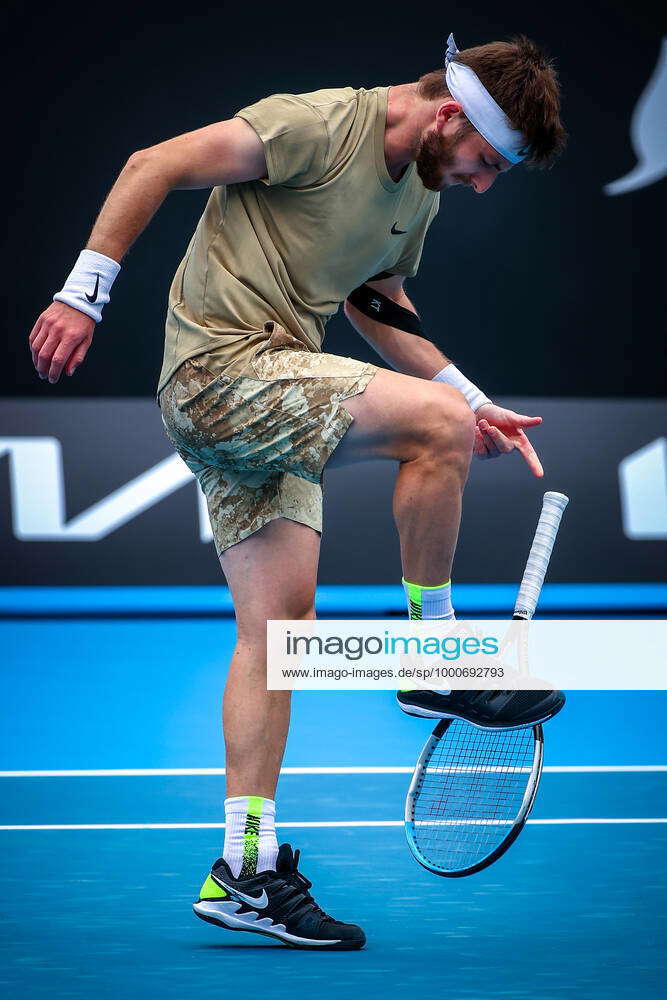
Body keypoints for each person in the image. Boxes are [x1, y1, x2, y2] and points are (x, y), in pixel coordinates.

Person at [28, 33, 567, 950]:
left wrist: (471, 401)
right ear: (448, 115)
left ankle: (243, 867)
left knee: (277, 639)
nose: (480, 184)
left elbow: (375, 305)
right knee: (431, 428)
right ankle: (436, 659)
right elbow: (152, 163)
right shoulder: (313, 125)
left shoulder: (418, 191)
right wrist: (83, 296)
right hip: (220, 374)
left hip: (273, 395)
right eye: (484, 162)